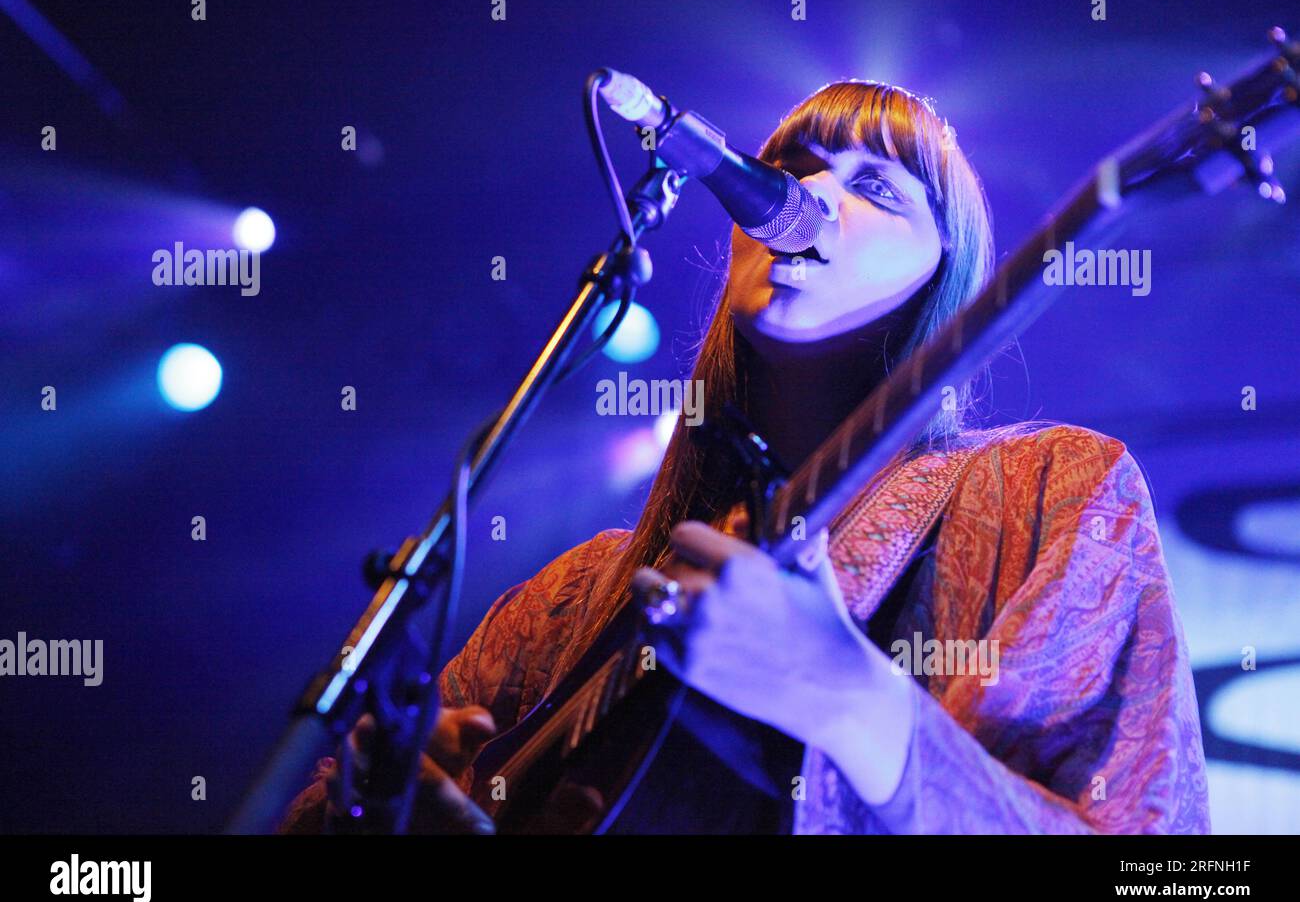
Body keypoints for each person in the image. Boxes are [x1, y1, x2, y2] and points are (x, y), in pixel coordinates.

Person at [278, 80, 1211, 834]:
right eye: (792, 168)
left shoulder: (1055, 487)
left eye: (878, 188)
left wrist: (850, 699)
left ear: (947, 275)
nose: (809, 199)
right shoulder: (570, 601)